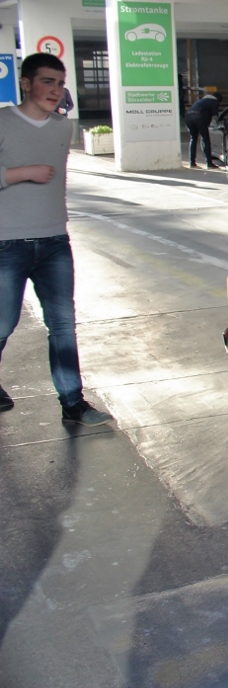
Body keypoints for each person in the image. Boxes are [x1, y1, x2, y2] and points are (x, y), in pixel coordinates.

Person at [0, 53, 114, 426]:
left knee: (63, 324)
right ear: (26, 83)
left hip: (54, 241)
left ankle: (72, 402)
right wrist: (21, 173)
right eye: (47, 81)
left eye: (60, 83)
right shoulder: (1, 120)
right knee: (3, 324)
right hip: (7, 243)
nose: (55, 90)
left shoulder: (61, 128)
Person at [184, 91, 224, 169]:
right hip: (199, 118)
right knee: (205, 139)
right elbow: (216, 117)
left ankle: (192, 163)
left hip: (188, 117)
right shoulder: (214, 101)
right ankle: (209, 163)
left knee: (193, 139)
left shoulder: (200, 101)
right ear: (218, 99)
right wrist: (220, 125)